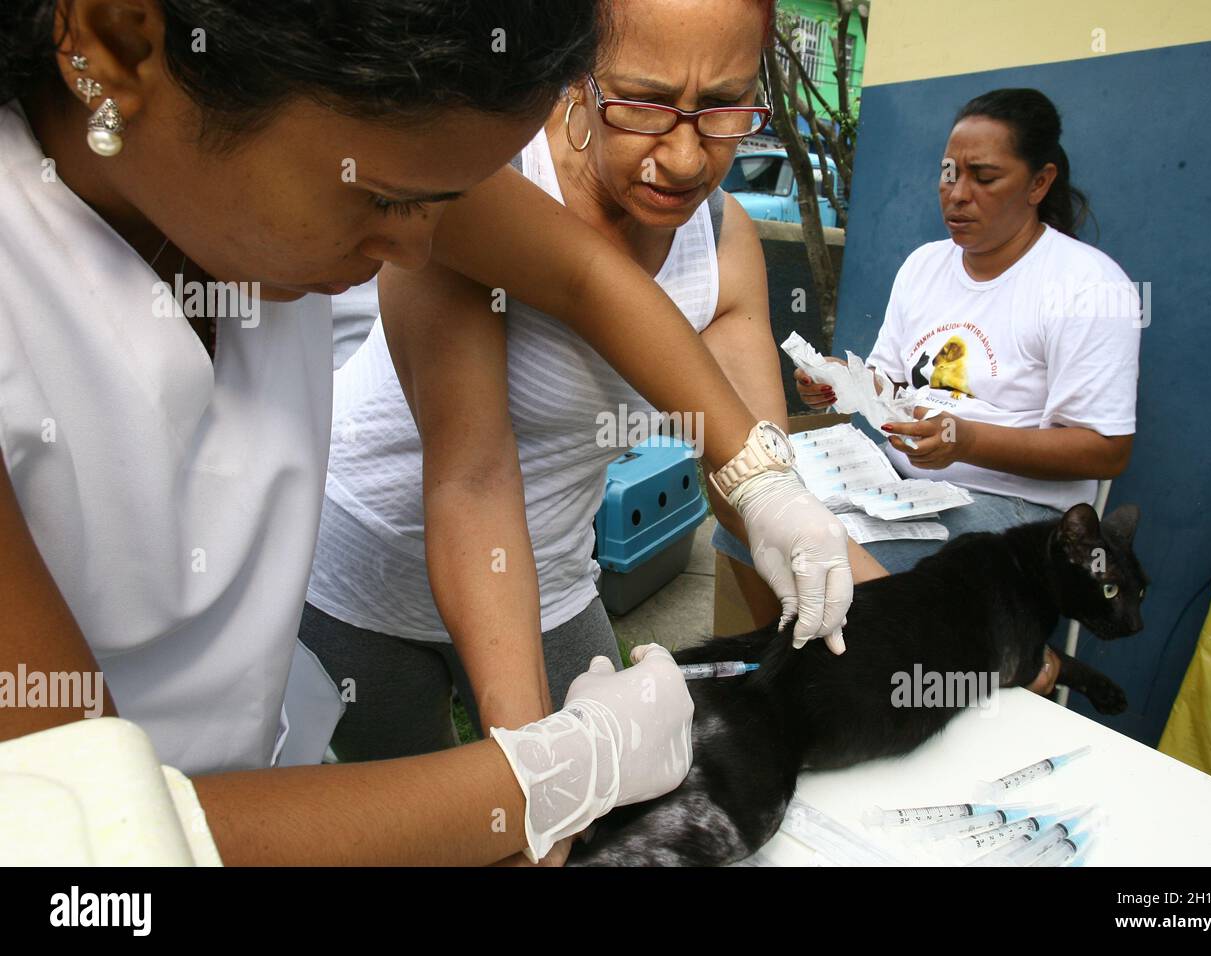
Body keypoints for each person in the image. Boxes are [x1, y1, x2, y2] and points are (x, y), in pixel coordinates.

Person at [0, 0, 851, 865]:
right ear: (116, 41)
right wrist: (552, 772)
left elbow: (586, 277)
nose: (416, 253)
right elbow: (82, 839)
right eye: (382, 197)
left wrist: (759, 479)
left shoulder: (275, 177)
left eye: (443, 203)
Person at [302, 0, 889, 762]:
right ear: (575, 72)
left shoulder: (720, 239)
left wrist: (917, 620)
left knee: (607, 804)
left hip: (550, 574)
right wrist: (533, 766)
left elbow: (751, 474)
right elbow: (473, 478)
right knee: (434, 819)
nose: (684, 158)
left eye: (722, 106)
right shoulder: (475, 177)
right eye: (643, 105)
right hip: (368, 569)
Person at [788, 89, 1142, 692]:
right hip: (896, 482)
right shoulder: (925, 265)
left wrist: (965, 440)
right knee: (753, 513)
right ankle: (798, 676)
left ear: (1038, 183)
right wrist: (841, 385)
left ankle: (1003, 669)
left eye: (984, 177)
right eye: (949, 173)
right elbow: (893, 381)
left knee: (821, 555)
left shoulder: (1087, 285)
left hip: (1010, 511)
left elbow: (1105, 449)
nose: (957, 193)